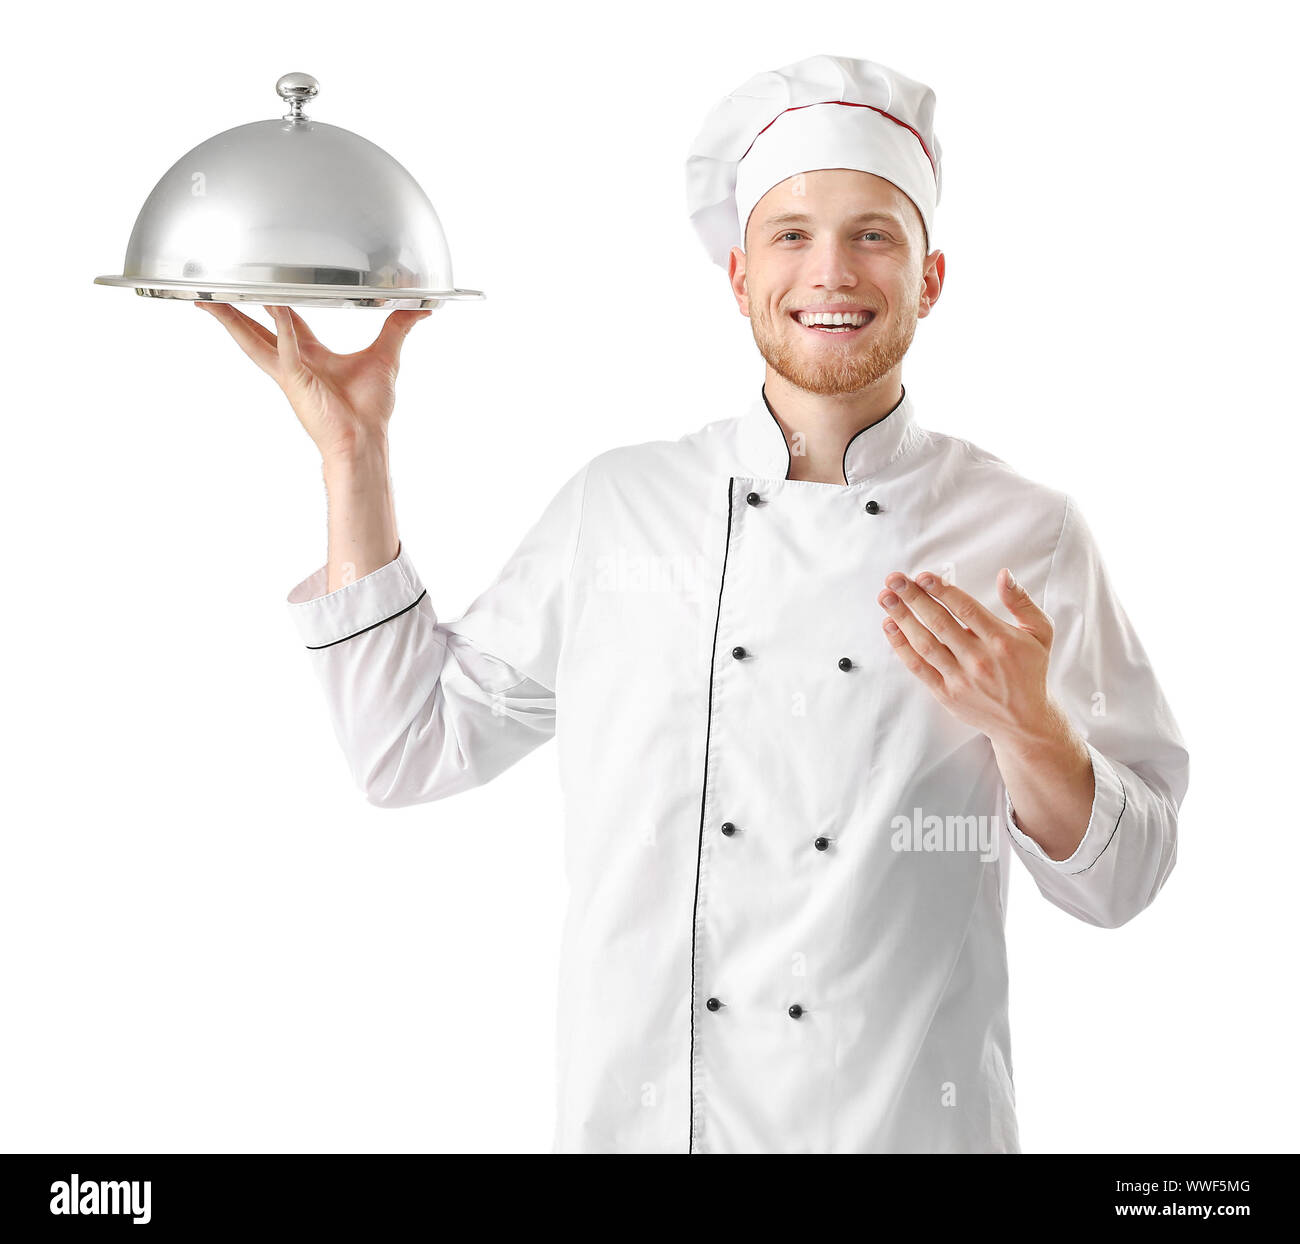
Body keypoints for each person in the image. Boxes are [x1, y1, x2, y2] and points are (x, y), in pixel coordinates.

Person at [197, 53, 1190, 1154]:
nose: (831, 271)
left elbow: (1125, 881)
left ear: (930, 277)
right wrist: (354, 450)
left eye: (873, 234)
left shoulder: (1024, 531)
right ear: (737, 274)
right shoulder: (621, 507)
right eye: (791, 234)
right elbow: (406, 748)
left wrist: (1034, 731)